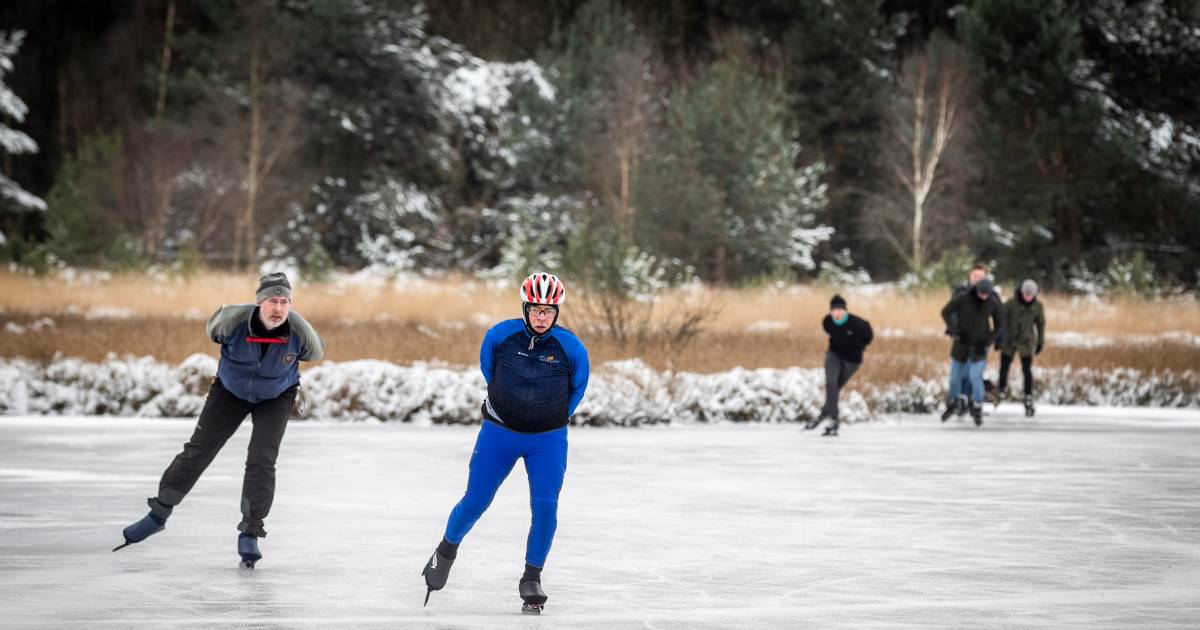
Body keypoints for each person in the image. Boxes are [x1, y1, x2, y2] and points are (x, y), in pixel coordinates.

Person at [112, 273, 324, 568]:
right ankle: (158, 514)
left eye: (284, 302)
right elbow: (214, 332)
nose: (278, 308)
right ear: (259, 302)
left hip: (277, 396)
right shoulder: (231, 320)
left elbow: (315, 353)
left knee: (262, 458)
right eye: (272, 301)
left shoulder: (300, 331)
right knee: (198, 451)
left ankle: (250, 532)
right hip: (229, 391)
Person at [421, 272, 590, 615]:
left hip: (547, 440)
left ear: (557, 313)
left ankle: (532, 578)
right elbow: (490, 372)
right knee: (476, 501)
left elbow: (577, 390)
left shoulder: (571, 347)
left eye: (549, 311)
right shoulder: (500, 336)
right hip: (500, 433)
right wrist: (510, 408)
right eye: (536, 310)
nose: (542, 317)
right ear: (525, 308)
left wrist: (550, 417)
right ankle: (446, 550)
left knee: (545, 507)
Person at [804, 294, 873, 437]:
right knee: (831, 384)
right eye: (834, 310)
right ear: (831, 311)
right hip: (834, 355)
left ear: (845, 310)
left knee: (835, 389)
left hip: (852, 360)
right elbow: (830, 332)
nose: (837, 313)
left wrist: (858, 346)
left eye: (840, 310)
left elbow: (868, 336)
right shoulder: (827, 322)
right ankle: (834, 421)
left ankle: (822, 416)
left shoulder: (858, 324)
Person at [939, 277, 1004, 426]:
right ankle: (954, 401)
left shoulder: (992, 302)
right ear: (977, 290)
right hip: (961, 344)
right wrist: (953, 329)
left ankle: (977, 405)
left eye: (987, 294)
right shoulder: (963, 298)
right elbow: (945, 311)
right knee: (955, 378)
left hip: (979, 347)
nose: (984, 297)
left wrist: (989, 341)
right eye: (982, 293)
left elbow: (1000, 324)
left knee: (975, 376)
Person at [997, 279, 1046, 416]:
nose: (1028, 297)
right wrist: (999, 337)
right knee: (1004, 366)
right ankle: (1001, 390)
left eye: (1031, 295)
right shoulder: (1011, 303)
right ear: (1022, 292)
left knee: (1027, 370)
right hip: (1009, 341)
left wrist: (1040, 342)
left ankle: (1028, 396)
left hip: (1025, 342)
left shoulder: (1037, 306)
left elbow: (1041, 324)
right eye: (1026, 294)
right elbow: (1000, 318)